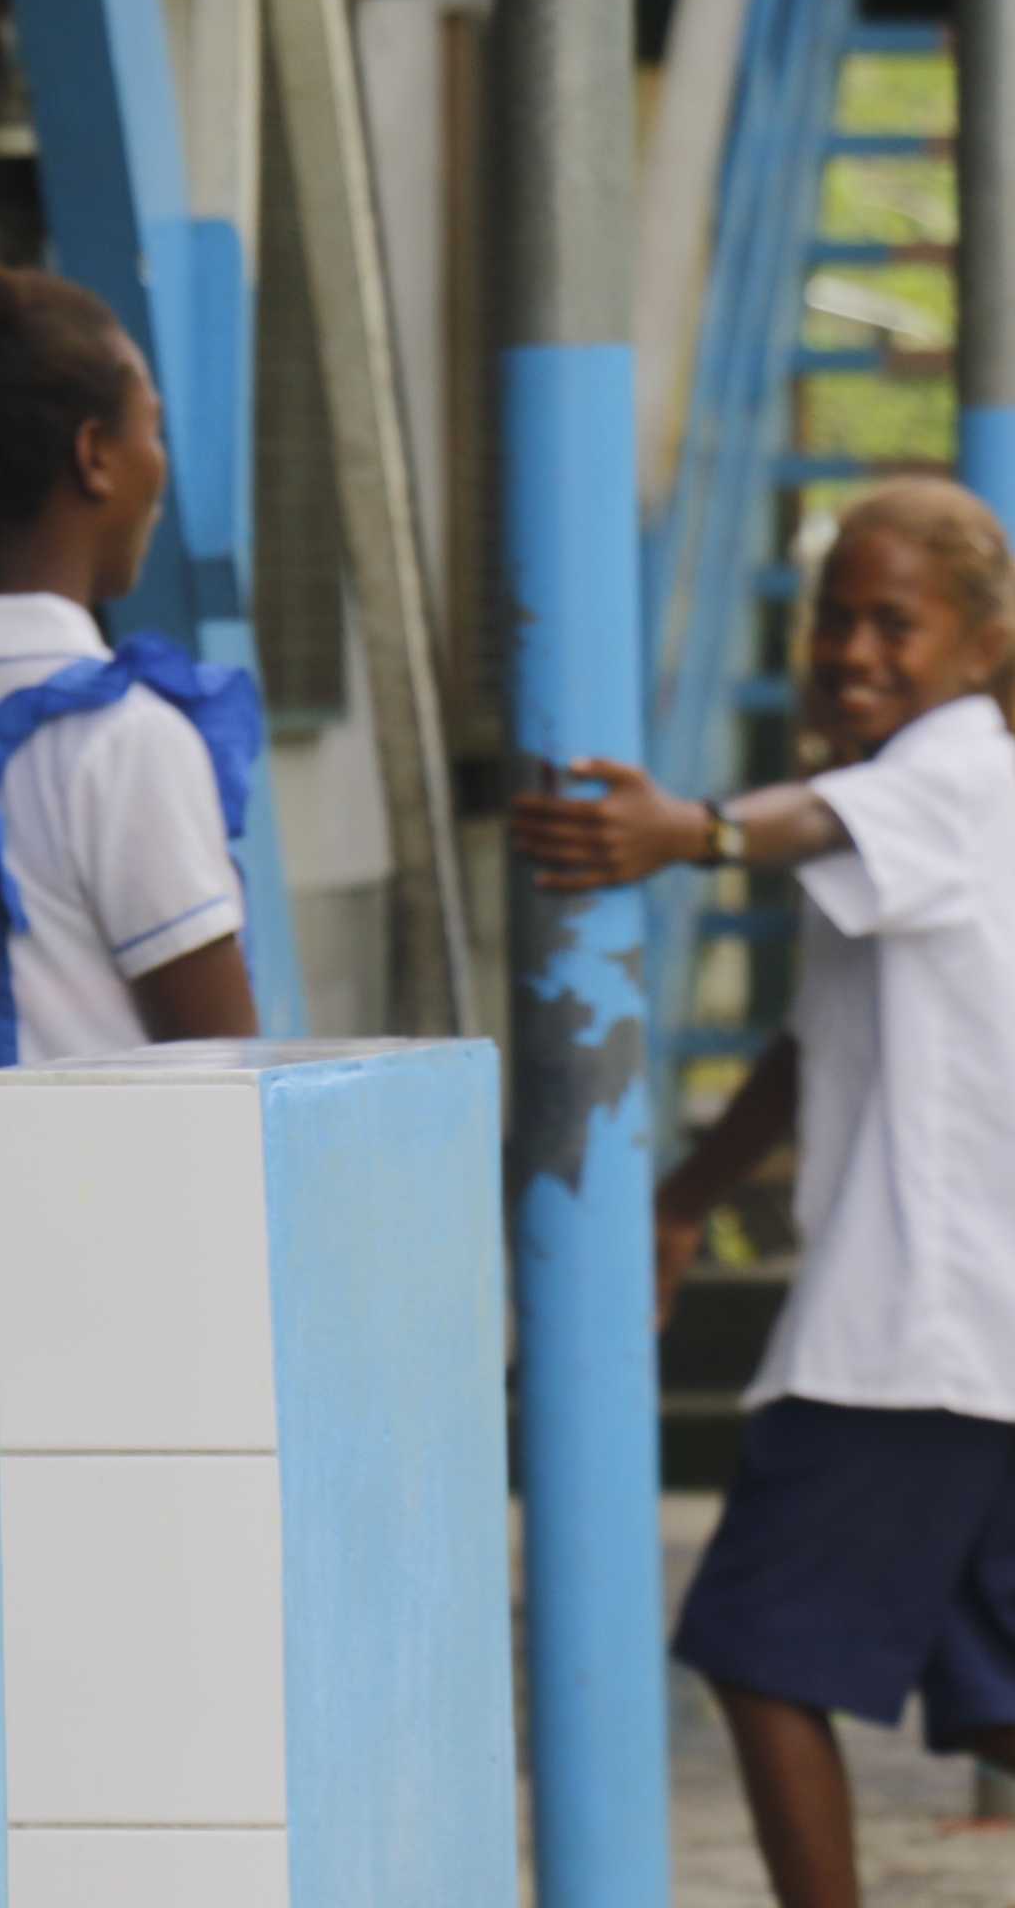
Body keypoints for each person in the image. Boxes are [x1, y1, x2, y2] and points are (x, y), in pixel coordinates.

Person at [510, 477, 1015, 1908]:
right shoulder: (923, 801)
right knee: (988, 1701)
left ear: (984, 647)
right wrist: (686, 1194)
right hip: (958, 1333)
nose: (851, 651)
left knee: (752, 1645)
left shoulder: (957, 772)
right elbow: (813, 1048)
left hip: (914, 1330)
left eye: (893, 624)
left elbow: (791, 824)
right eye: (831, 621)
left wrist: (696, 835)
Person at [0, 265, 261, 1103]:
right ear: (95, 456)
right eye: (152, 432)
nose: (161, 474)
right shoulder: (121, 738)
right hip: (84, 1222)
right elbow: (229, 1080)